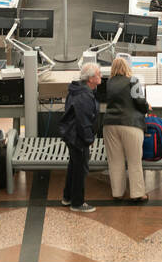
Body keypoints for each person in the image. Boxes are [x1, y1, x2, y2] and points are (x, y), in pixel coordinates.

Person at [103, 56, 151, 202]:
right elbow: (140, 101)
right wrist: (146, 106)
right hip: (131, 124)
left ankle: (117, 192)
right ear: (127, 68)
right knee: (134, 160)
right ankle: (137, 194)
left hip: (110, 124)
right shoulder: (133, 80)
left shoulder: (109, 82)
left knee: (115, 160)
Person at [61, 62, 102, 213]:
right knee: (80, 169)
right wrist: (88, 139)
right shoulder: (84, 95)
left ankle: (67, 197)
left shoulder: (77, 90)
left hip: (72, 135)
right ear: (90, 78)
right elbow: (83, 120)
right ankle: (77, 202)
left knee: (74, 166)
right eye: (98, 74)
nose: (101, 76)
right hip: (78, 137)